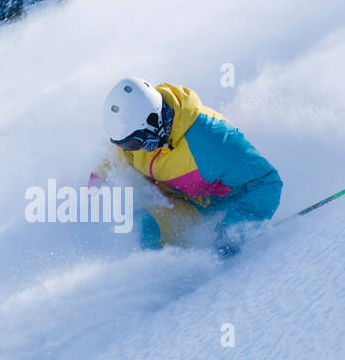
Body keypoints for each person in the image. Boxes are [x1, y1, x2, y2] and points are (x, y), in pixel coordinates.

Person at [98, 77, 282, 256]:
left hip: (204, 206)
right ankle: (149, 279)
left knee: (145, 230)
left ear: (153, 122)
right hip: (172, 199)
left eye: (132, 144)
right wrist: (94, 194)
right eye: (124, 144)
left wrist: (234, 230)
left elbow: (267, 181)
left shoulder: (213, 141)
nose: (131, 150)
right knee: (139, 226)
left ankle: (177, 278)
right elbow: (112, 160)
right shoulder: (138, 136)